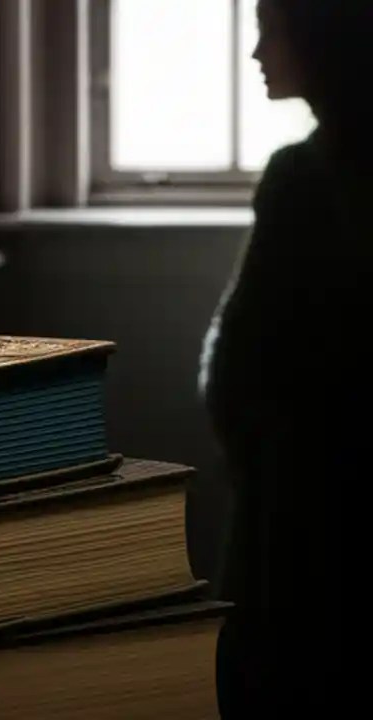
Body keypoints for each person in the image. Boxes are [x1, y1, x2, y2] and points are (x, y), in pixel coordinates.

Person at [199, 0, 371, 715]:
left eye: (271, 30)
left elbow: (238, 365)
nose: (257, 52)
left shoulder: (304, 177)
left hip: (301, 506)